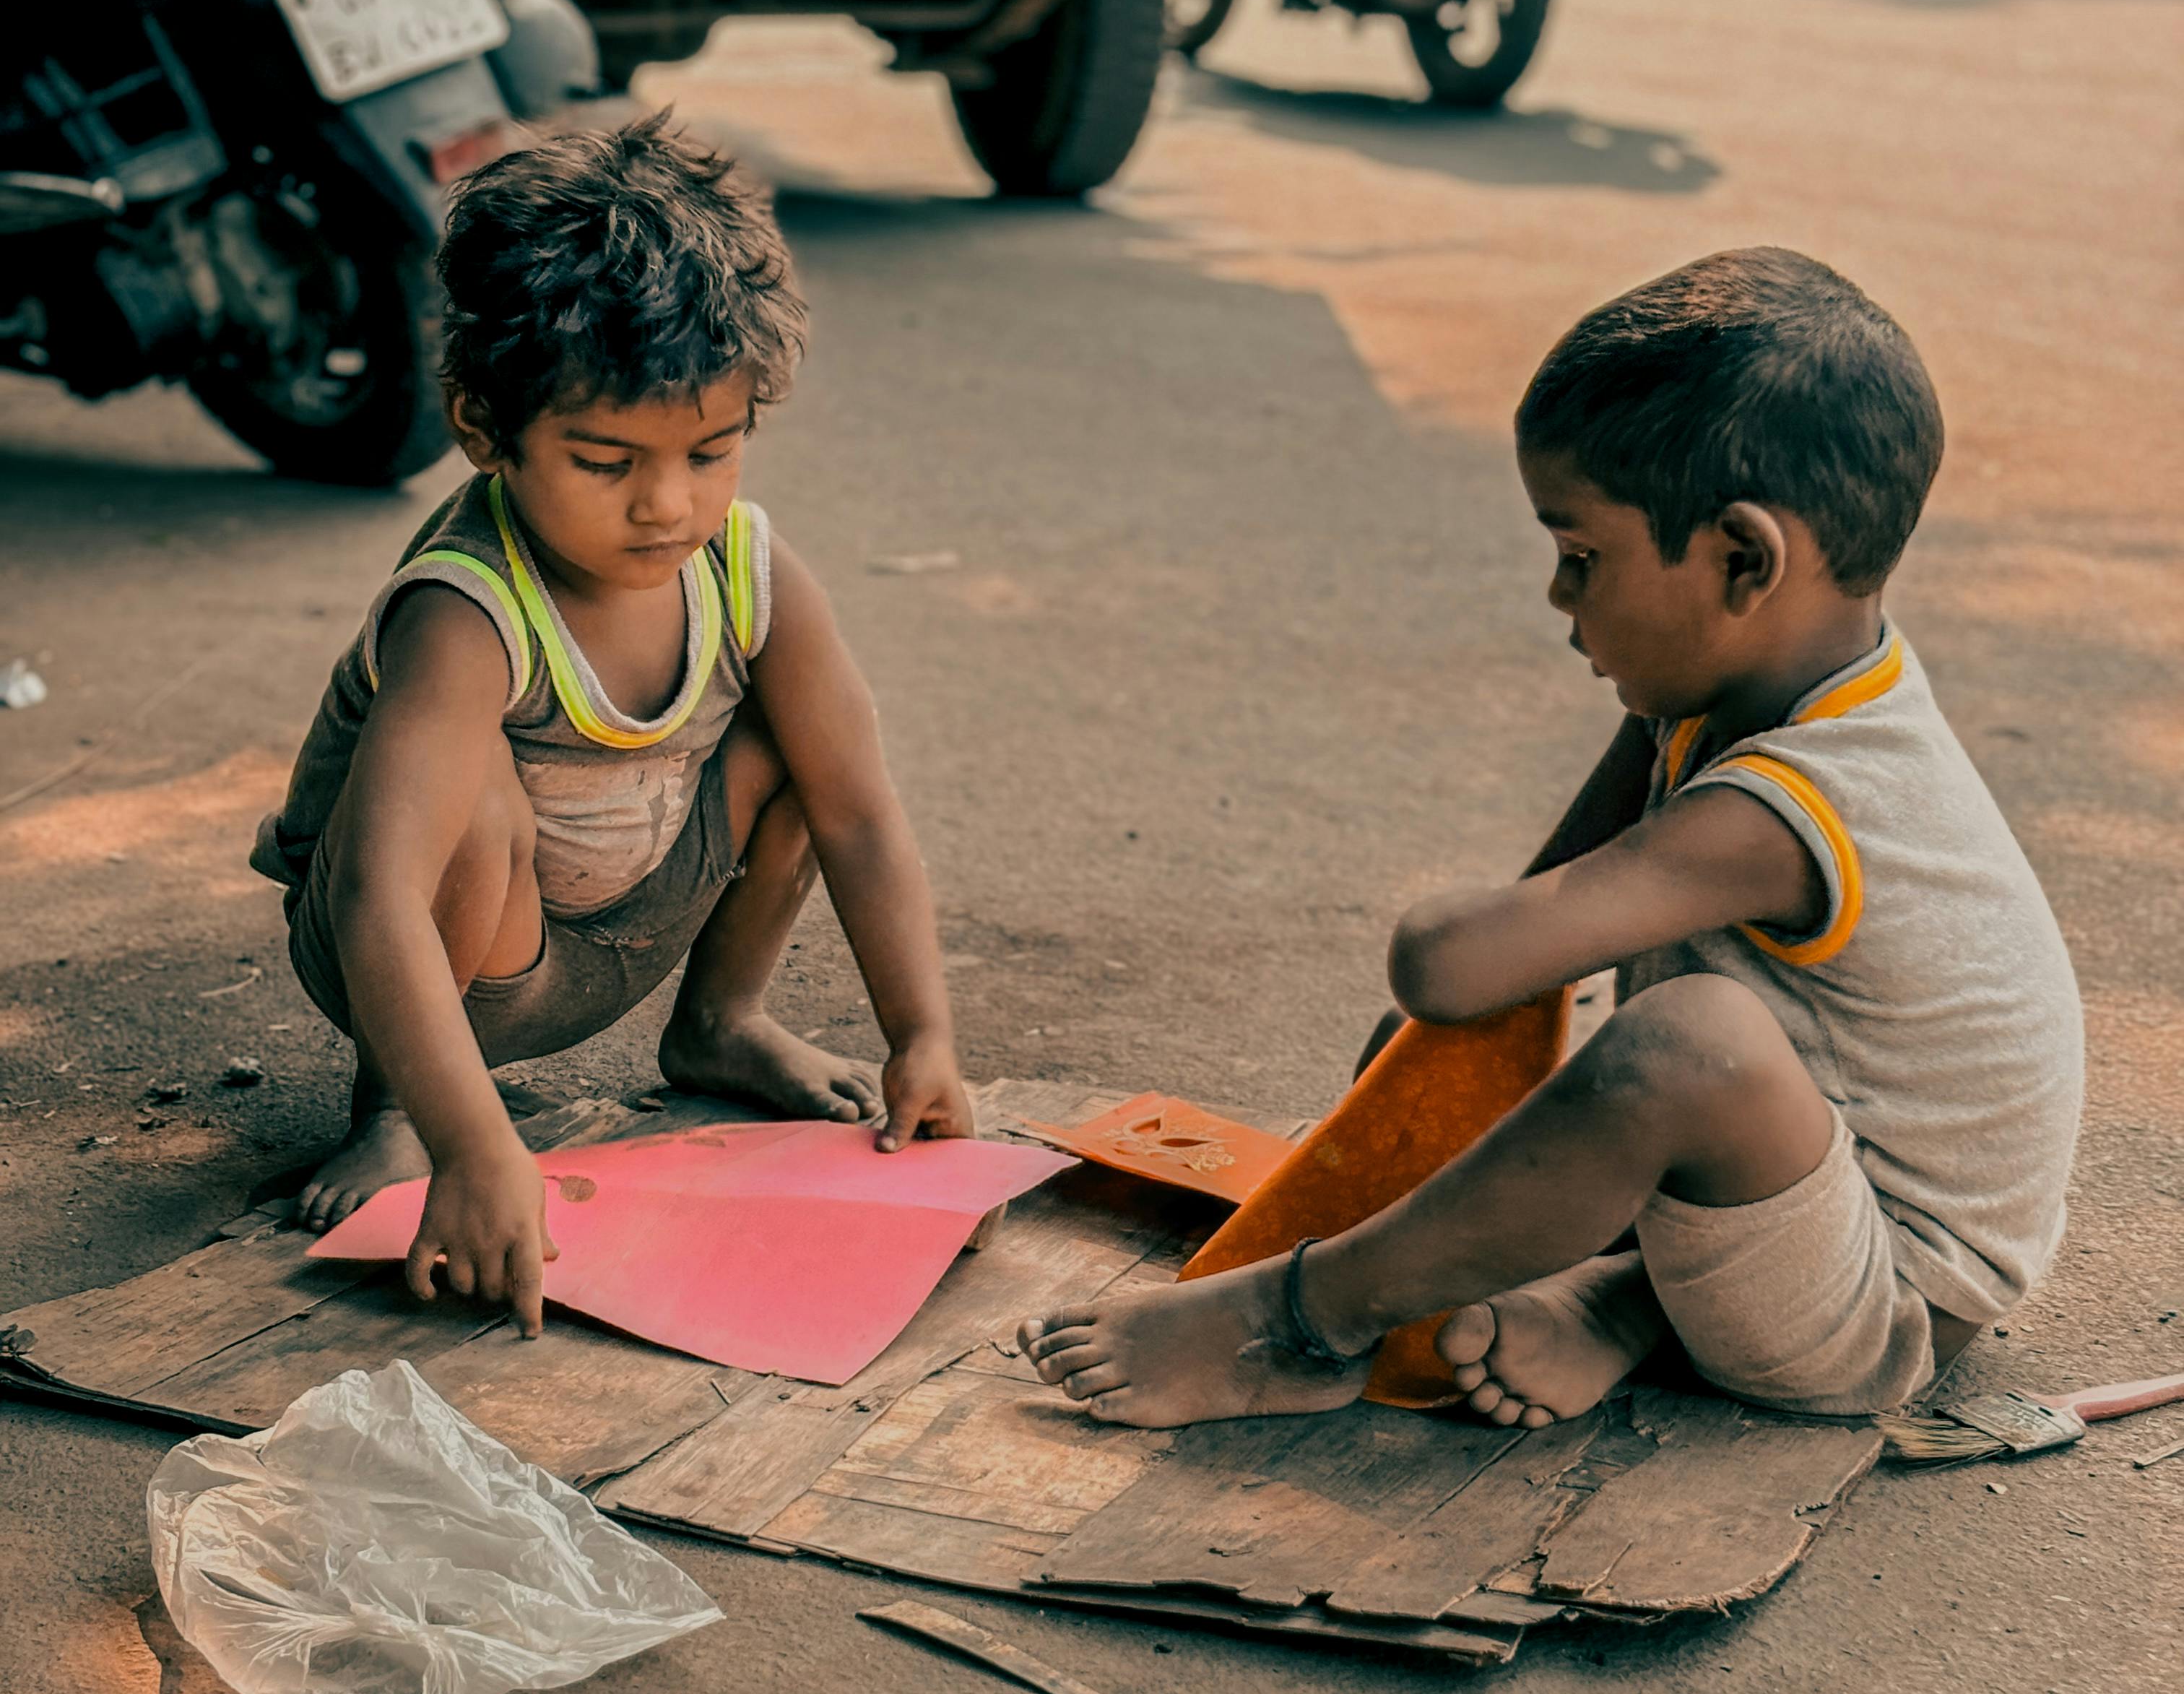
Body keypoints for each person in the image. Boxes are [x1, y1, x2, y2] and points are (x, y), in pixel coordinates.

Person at [1020, 249, 2083, 1432]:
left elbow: (1449, 955)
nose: (1554, 597)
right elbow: (1508, 968)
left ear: (1742, 561)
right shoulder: (1760, 688)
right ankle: (1623, 1303)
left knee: (1679, 1046)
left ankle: (1300, 1318)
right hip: (1786, 1212)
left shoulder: (1792, 806)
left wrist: (1452, 992)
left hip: (1874, 1308)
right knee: (1442, 1051)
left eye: (1581, 557)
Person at [253, 116, 972, 1333]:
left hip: (625, 927)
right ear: (484, 426)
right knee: (467, 796)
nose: (667, 503)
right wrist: (476, 1154)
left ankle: (719, 1023)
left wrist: (922, 1037)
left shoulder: (747, 568)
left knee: (807, 748)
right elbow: (378, 898)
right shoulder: (463, 610)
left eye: (712, 449)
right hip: (433, 963)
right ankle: (394, 1108)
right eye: (604, 460)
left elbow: (855, 813)